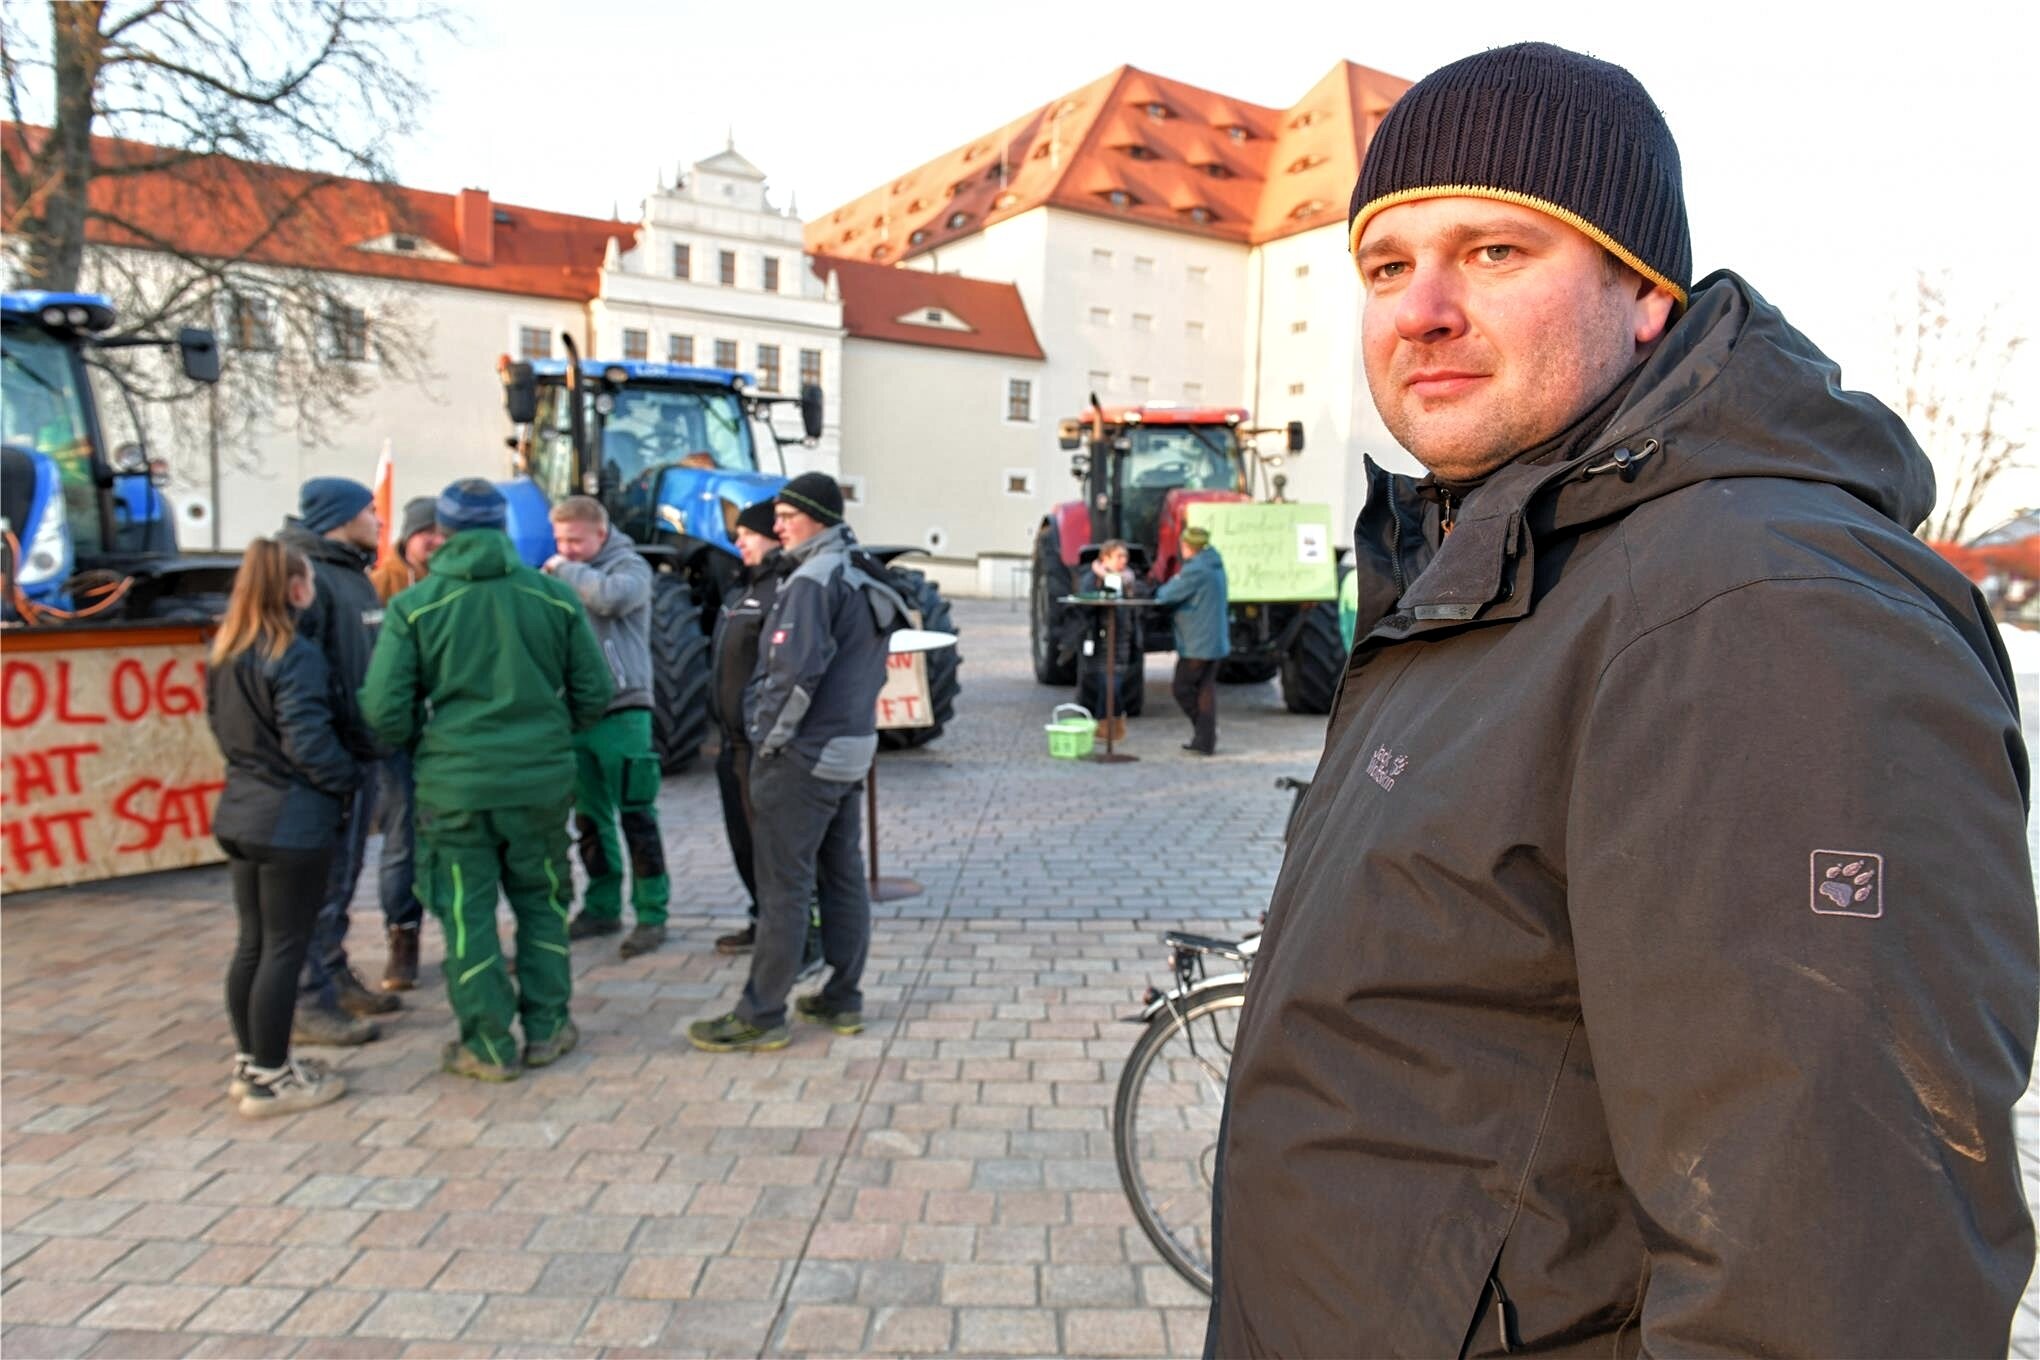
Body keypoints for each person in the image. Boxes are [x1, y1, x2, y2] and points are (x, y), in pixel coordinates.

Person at [1207, 42, 2037, 1356]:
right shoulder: (1527, 566)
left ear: (1643, 292)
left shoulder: (1758, 613)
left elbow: (1837, 1279)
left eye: (1493, 252)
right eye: (1385, 264)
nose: (1420, 307)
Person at [359, 479, 612, 1081]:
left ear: (442, 533)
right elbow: (594, 692)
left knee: (466, 915)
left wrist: (432, 745)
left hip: (455, 790)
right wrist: (547, 737)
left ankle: (488, 1044)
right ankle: (549, 1028)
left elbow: (385, 712)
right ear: (502, 529)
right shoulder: (553, 598)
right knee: (543, 904)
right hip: (539, 786)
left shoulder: (415, 607)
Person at [688, 472, 906, 1053]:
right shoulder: (862, 568)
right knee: (842, 876)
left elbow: (792, 676)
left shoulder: (811, 580)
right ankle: (842, 998)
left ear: (816, 517)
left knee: (783, 886)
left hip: (805, 758)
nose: (776, 524)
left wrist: (765, 741)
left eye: (786, 515)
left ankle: (761, 1014)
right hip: (851, 750)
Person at [206, 538, 360, 1117]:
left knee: (253, 943)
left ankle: (253, 1061)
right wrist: (346, 779)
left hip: (242, 808)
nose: (314, 590)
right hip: (290, 819)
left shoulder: (226, 649)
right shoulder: (293, 653)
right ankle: (272, 1076)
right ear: (293, 587)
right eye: (309, 581)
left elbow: (218, 725)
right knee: (284, 948)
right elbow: (309, 742)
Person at [277, 476, 399, 1043]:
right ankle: (307, 1002)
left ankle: (332, 973)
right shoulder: (303, 578)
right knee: (319, 885)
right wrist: (325, 760)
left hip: (358, 753)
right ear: (340, 515)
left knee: (345, 879)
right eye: (369, 510)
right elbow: (295, 684)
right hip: (327, 764)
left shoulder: (352, 573)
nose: (377, 519)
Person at [542, 495, 672, 959]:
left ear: (601, 533)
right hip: (576, 713)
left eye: (575, 540)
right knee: (589, 820)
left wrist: (563, 570)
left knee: (637, 816)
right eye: (559, 540)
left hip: (624, 710)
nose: (566, 549)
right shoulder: (565, 571)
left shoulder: (631, 568)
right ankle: (601, 905)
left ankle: (652, 913)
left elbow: (610, 598)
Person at [707, 498, 821, 977]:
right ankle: (762, 920)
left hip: (760, 746)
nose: (738, 543)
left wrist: (764, 732)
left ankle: (801, 938)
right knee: (745, 841)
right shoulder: (743, 587)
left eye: (747, 535)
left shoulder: (784, 591)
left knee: (775, 848)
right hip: (730, 744)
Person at [365, 497, 442, 992]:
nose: (434, 542)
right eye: (425, 533)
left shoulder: (454, 587)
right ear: (406, 538)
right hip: (399, 741)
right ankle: (403, 936)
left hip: (448, 738)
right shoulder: (380, 588)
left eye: (442, 532)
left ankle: (468, 938)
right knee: (401, 842)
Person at [1152, 525, 1227, 755]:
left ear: (1188, 546)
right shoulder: (1214, 564)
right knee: (1205, 689)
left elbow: (1165, 596)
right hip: (1214, 640)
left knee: (1182, 688)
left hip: (1197, 643)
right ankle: (1205, 740)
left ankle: (1205, 734)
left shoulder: (1195, 570)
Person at [1061, 539, 1143, 742]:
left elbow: (1135, 607)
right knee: (1107, 685)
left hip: (1122, 640)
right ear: (1105, 558)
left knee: (1113, 685)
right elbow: (1084, 606)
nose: (1124, 561)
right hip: (1099, 640)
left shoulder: (1130, 580)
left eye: (1125, 556)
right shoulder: (1092, 578)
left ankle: (1107, 728)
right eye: (1119, 556)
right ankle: (1108, 725)